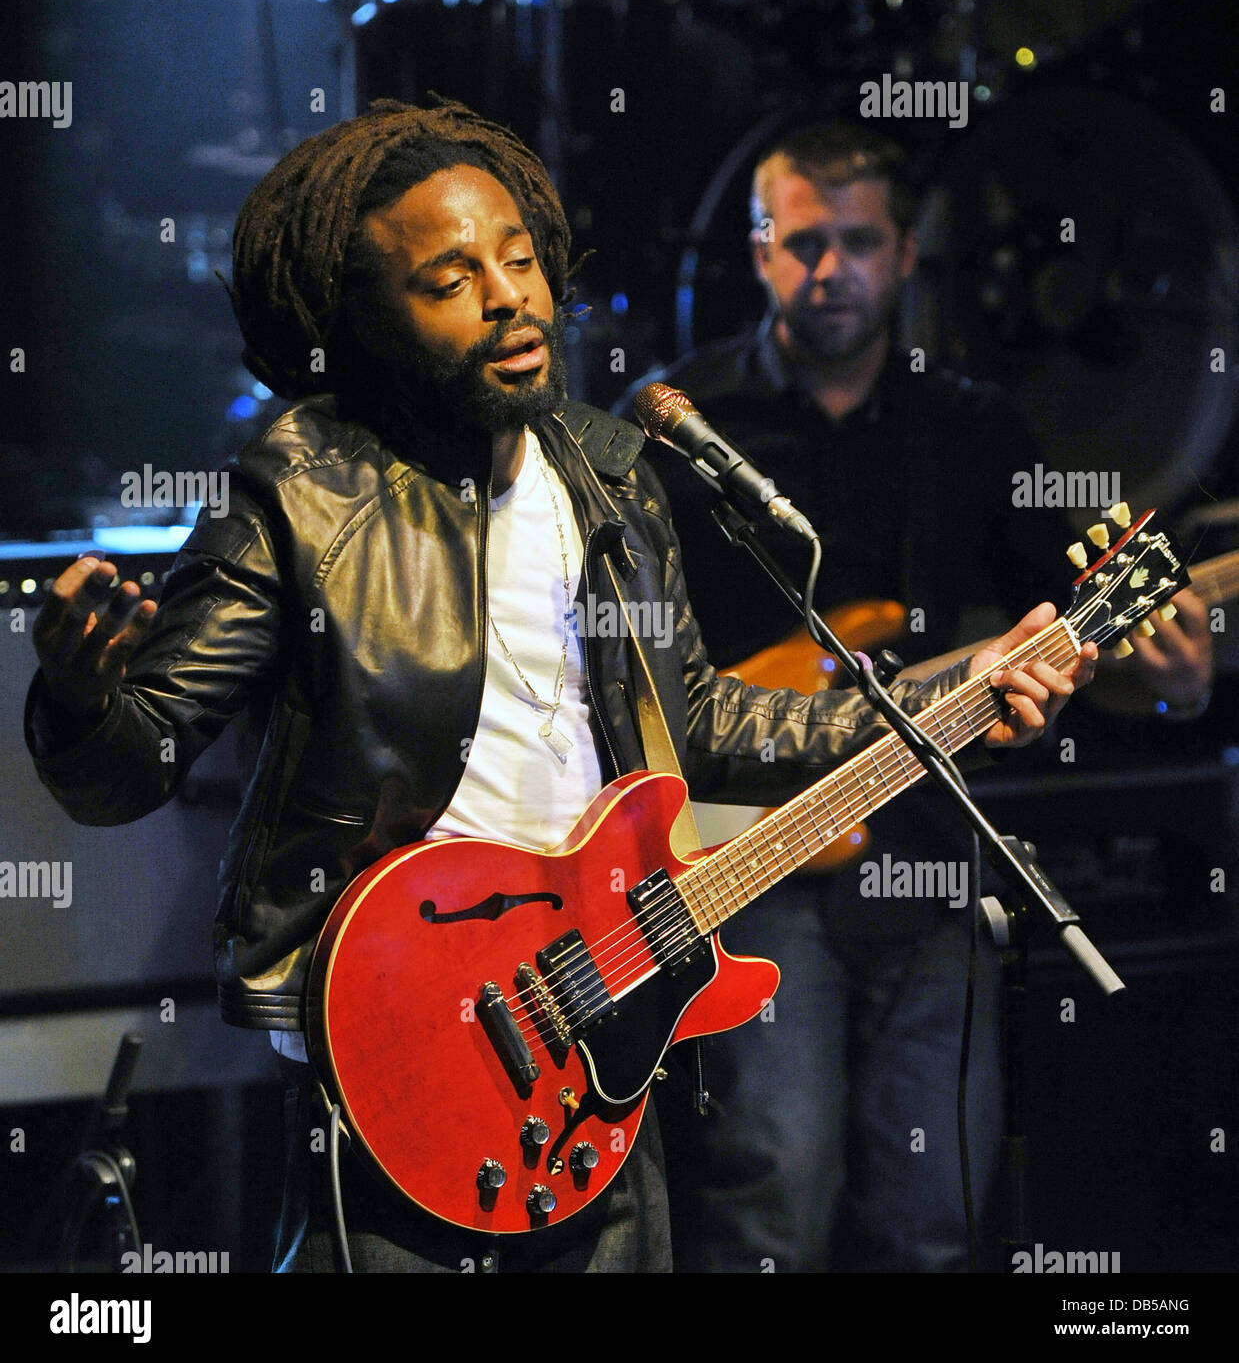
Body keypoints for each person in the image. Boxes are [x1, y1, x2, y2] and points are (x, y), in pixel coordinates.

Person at [25, 101, 1090, 1275]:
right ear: (368, 319)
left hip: (600, 1032)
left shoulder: (610, 477)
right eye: (451, 279)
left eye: (522, 260)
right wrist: (82, 700)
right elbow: (133, 765)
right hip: (413, 1045)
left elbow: (705, 726)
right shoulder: (302, 495)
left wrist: (961, 691)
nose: (509, 297)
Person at [620, 122, 1212, 1272]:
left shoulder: (978, 427)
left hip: (938, 856)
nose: (828, 270)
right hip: (748, 863)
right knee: (770, 1201)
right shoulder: (684, 425)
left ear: (903, 253)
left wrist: (1174, 683)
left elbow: (1074, 633)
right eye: (801, 243)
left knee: (935, 1210)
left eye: (857, 242)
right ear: (757, 251)